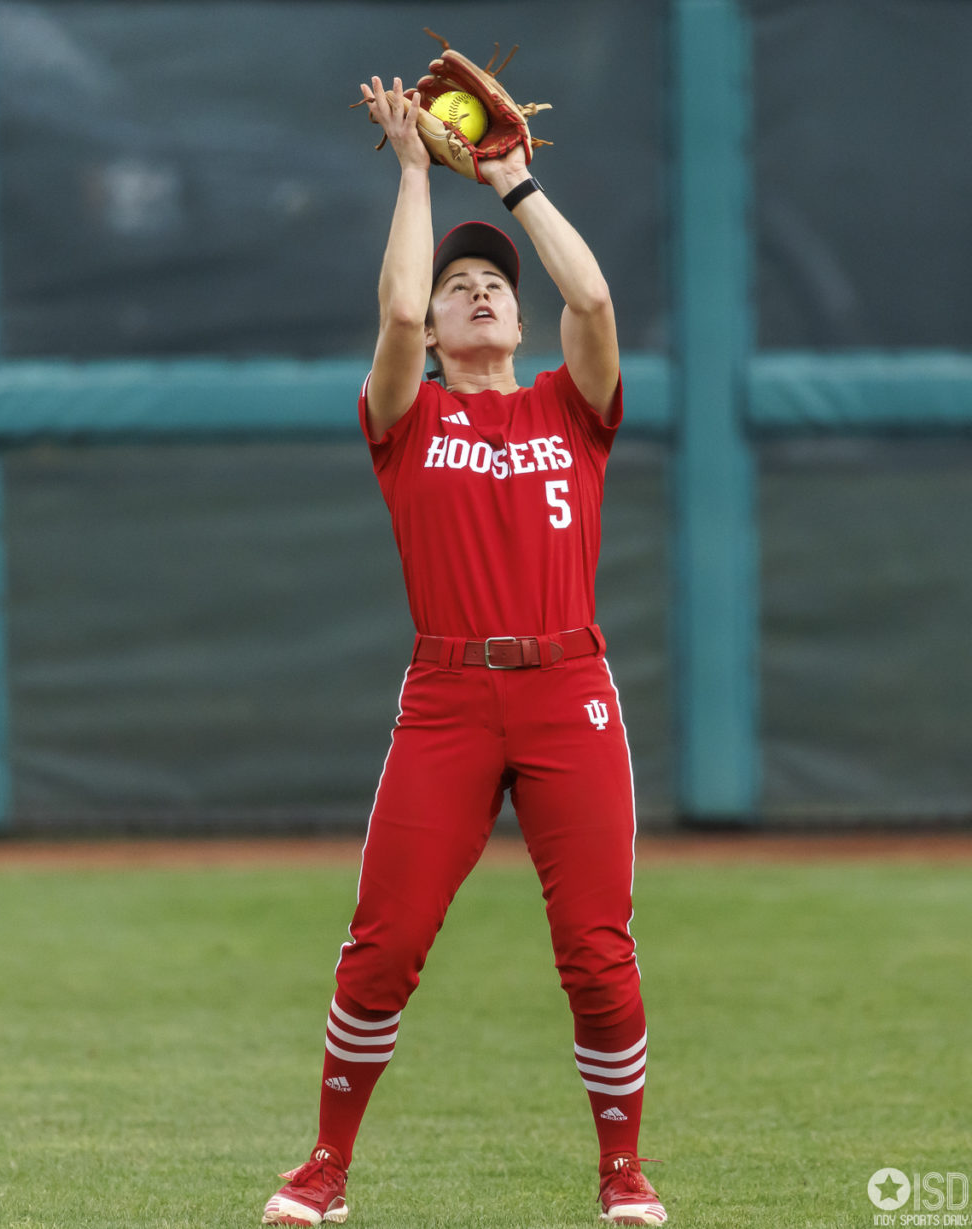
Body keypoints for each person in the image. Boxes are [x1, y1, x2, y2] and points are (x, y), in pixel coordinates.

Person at [260, 79, 665, 1226]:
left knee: (594, 947)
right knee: (383, 945)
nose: (477, 293)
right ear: (437, 335)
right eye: (458, 288)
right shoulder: (410, 419)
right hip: (447, 692)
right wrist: (408, 176)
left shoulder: (568, 408)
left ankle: (622, 1170)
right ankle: (327, 1167)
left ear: (517, 323)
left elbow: (590, 293)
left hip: (566, 686)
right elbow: (390, 316)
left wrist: (513, 185)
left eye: (493, 286)